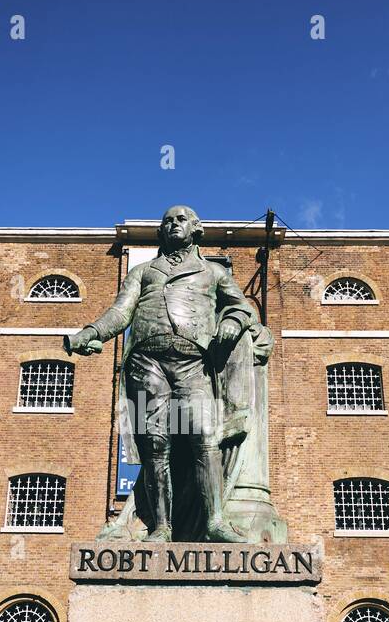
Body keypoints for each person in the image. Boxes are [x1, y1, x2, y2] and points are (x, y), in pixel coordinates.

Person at [65, 205, 256, 542]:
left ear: (196, 228)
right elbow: (121, 312)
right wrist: (91, 333)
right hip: (146, 362)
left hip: (193, 362)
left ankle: (214, 522)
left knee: (202, 435)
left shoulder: (213, 272)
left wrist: (230, 321)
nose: (172, 224)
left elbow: (241, 307)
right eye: (167, 220)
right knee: (155, 443)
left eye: (181, 219)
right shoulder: (143, 271)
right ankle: (161, 527)